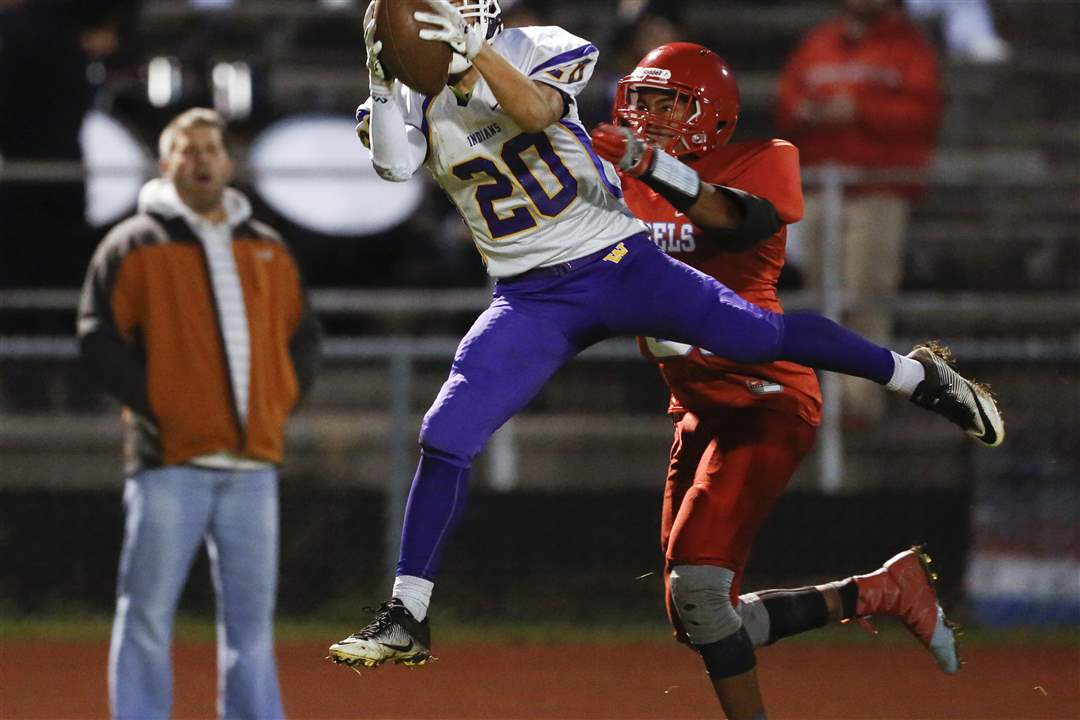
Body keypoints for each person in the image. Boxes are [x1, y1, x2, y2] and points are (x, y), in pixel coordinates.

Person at [329, 0, 1000, 672]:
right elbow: (394, 166)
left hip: (616, 260)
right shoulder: (418, 95)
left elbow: (536, 112)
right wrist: (384, 78)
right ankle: (407, 613)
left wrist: (478, 54)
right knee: (446, 432)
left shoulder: (544, 45)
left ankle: (918, 377)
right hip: (531, 296)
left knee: (757, 334)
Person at [590, 43, 957, 719]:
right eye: (639, 100)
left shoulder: (761, 161)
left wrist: (652, 171)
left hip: (765, 395)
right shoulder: (615, 177)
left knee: (701, 594)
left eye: (667, 102)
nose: (648, 116)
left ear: (712, 112)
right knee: (700, 617)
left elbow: (739, 222)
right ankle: (878, 591)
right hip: (698, 405)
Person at [77, 107, 322, 719]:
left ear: (228, 161)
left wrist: (278, 400)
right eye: (187, 150)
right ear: (166, 165)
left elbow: (305, 336)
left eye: (211, 149)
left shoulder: (267, 246)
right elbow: (97, 337)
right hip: (170, 461)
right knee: (147, 616)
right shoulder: (132, 243)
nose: (201, 159)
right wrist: (161, 407)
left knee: (251, 627)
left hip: (253, 463)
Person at [775, 0, 943, 426]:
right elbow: (787, 106)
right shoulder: (818, 43)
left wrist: (860, 110)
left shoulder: (909, 48)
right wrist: (809, 112)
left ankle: (858, 404)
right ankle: (821, 402)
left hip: (878, 190)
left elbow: (922, 115)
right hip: (818, 189)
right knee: (820, 298)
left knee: (864, 295)